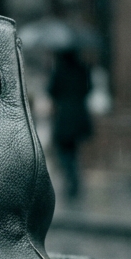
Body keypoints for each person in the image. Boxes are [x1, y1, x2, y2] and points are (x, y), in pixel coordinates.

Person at [48, 49, 93, 201]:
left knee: (64, 151)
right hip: (79, 115)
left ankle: (72, 180)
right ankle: (74, 180)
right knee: (73, 150)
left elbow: (51, 91)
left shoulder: (60, 70)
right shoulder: (83, 69)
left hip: (65, 116)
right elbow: (89, 89)